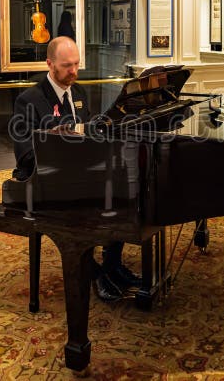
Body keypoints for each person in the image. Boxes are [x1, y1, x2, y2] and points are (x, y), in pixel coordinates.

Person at [10, 36, 140, 302]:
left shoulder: (78, 93)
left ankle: (112, 265)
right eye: (66, 65)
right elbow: (25, 155)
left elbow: (89, 135)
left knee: (124, 190)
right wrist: (62, 155)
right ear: (50, 64)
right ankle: (96, 274)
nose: (73, 71)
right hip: (44, 180)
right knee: (88, 208)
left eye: (76, 64)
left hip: (78, 174)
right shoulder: (29, 100)